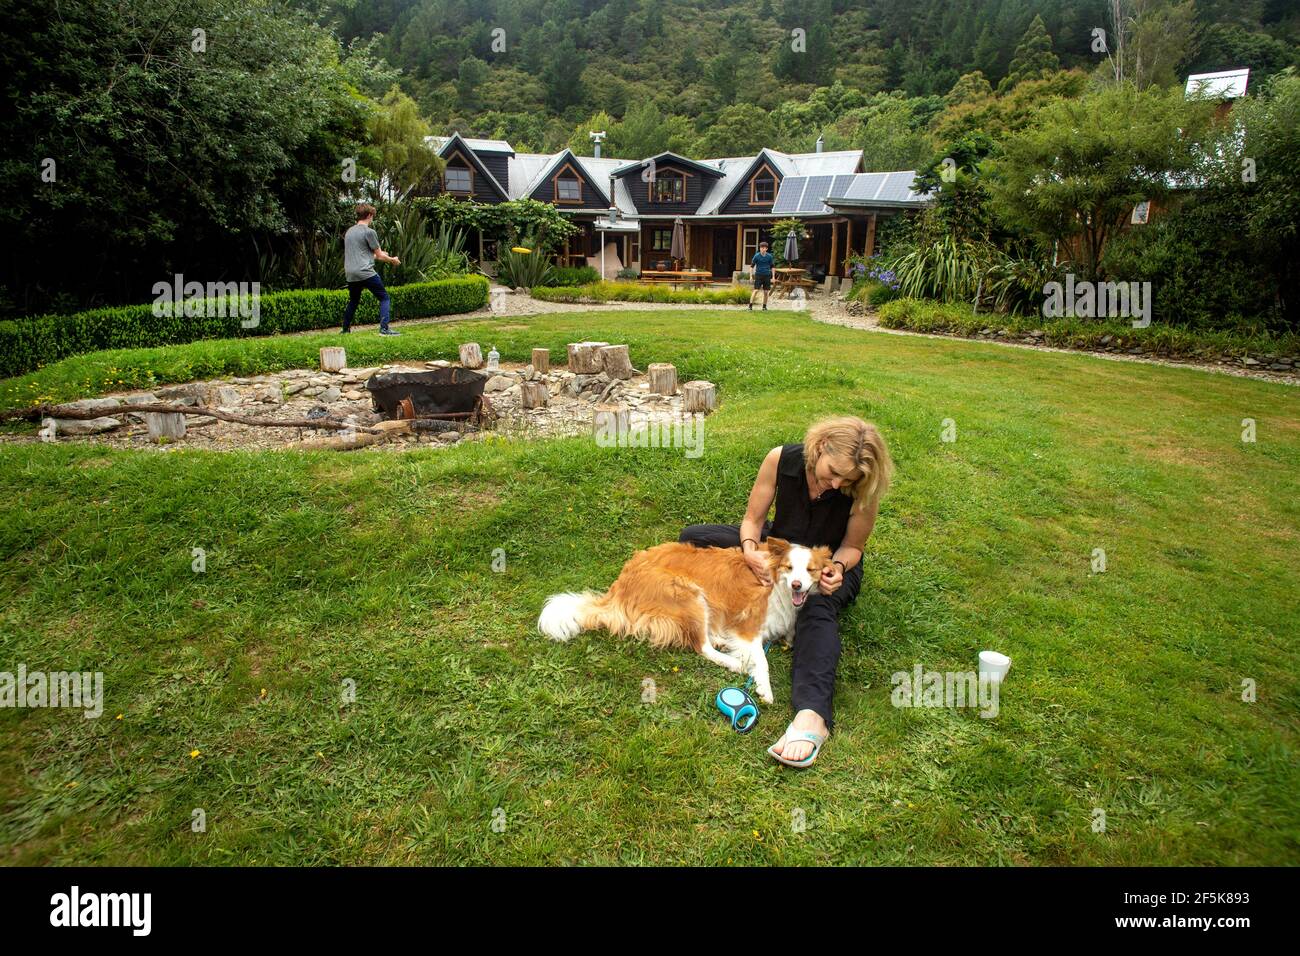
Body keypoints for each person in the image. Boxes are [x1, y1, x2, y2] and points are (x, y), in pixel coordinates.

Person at [678, 416, 892, 768]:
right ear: (821, 447)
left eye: (847, 480)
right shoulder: (781, 459)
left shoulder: (861, 487)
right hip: (781, 548)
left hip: (828, 562)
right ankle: (719, 611)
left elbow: (853, 547)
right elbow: (752, 520)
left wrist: (835, 571)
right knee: (694, 536)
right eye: (833, 472)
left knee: (815, 610)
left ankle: (812, 716)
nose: (837, 483)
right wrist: (750, 551)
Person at [342, 203, 401, 335]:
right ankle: (384, 329)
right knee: (384, 298)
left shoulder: (349, 232)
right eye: (372, 216)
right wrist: (393, 260)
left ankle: (345, 330)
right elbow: (380, 256)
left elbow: (362, 255)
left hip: (351, 273)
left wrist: (377, 255)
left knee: (354, 301)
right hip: (365, 273)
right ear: (369, 215)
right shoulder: (369, 232)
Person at [748, 240, 774, 311]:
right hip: (758, 275)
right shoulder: (756, 256)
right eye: (761, 247)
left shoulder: (769, 256)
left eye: (763, 247)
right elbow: (751, 267)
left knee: (766, 292)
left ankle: (764, 307)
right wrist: (750, 276)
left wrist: (773, 277)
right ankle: (750, 306)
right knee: (756, 290)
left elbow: (772, 267)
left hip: (767, 275)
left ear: (766, 249)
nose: (762, 249)